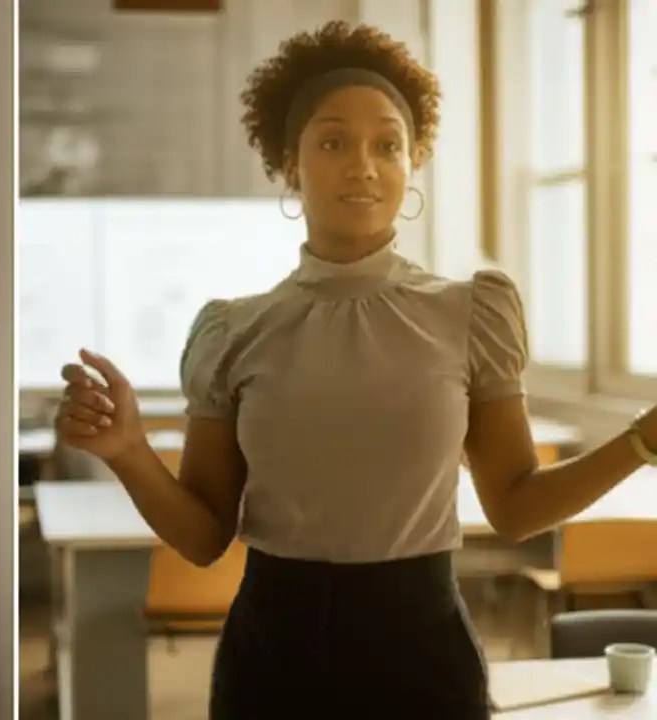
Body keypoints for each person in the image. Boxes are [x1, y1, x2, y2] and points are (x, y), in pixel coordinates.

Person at [55, 20, 657, 719]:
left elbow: (516, 505)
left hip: (423, 652)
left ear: (413, 162)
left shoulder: (472, 312)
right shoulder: (232, 330)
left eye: (388, 144)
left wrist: (643, 439)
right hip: (272, 657)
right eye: (333, 141)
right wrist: (127, 451)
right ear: (290, 164)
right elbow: (203, 535)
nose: (363, 165)